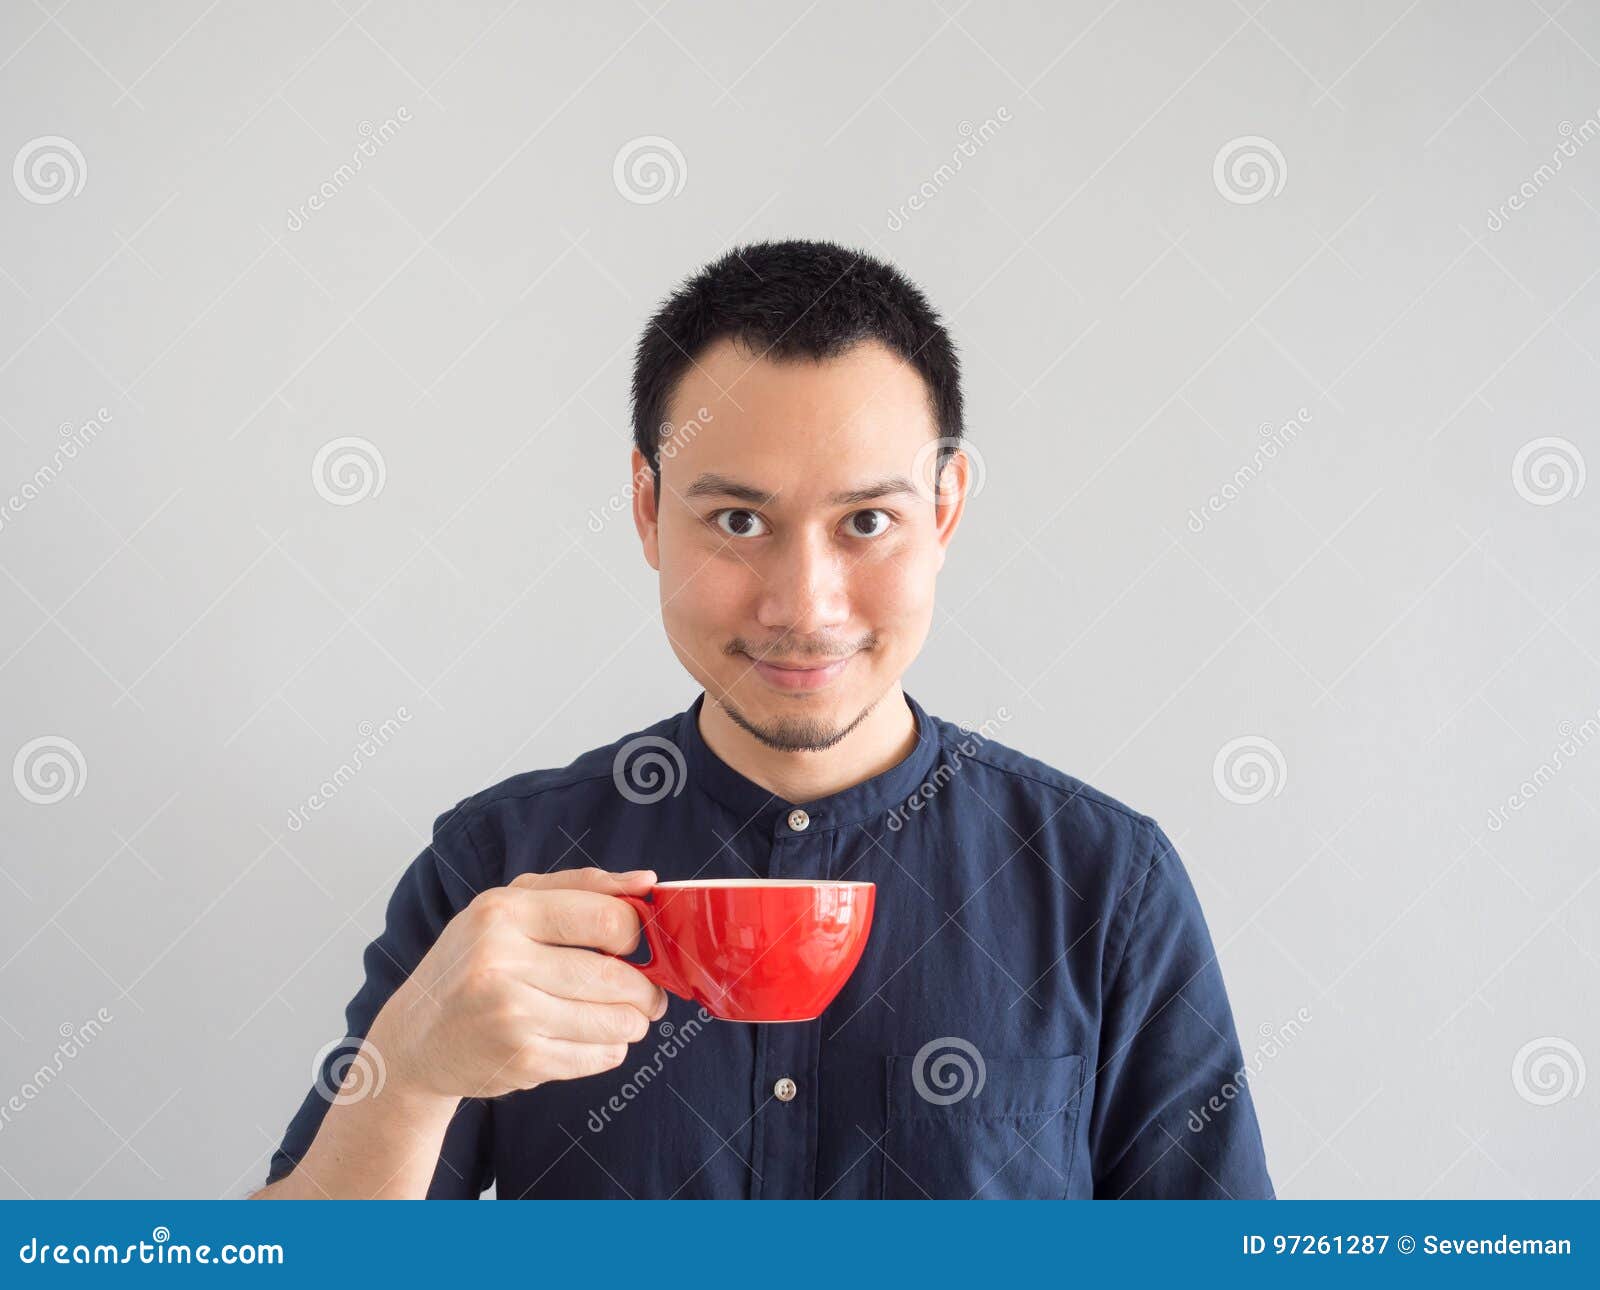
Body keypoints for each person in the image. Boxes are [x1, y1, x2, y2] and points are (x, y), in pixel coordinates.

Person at [252, 239, 1273, 1200]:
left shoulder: (1105, 883)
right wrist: (416, 1073)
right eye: (738, 522)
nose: (803, 606)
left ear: (946, 509)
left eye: (866, 522)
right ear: (648, 510)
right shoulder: (498, 868)